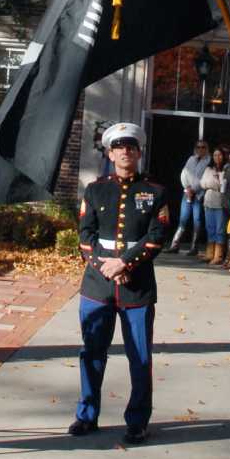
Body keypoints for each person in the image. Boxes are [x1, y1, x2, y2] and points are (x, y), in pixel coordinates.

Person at [71, 121, 169, 442]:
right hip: (98, 285)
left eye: (131, 147)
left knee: (139, 356)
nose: (125, 152)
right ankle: (87, 415)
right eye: (119, 147)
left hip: (136, 285)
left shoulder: (155, 191)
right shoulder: (96, 189)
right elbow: (85, 236)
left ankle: (138, 420)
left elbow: (157, 236)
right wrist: (106, 266)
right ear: (110, 153)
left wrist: (125, 263)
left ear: (139, 152)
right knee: (92, 352)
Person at [176, 140, 209, 255]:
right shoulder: (191, 159)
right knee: (183, 218)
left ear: (207, 148)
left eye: (203, 147)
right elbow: (184, 174)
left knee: (197, 220)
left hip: (199, 194)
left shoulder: (209, 161)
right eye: (198, 147)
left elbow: (204, 178)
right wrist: (187, 188)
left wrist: (194, 189)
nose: (200, 149)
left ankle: (194, 247)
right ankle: (175, 244)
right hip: (187, 192)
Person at [200, 148, 227, 262]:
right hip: (208, 201)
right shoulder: (208, 168)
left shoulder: (225, 169)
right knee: (209, 227)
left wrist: (214, 182)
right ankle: (210, 253)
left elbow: (223, 186)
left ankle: (219, 255)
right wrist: (214, 182)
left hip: (220, 202)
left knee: (219, 229)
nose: (217, 157)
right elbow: (203, 183)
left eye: (219, 155)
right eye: (215, 155)